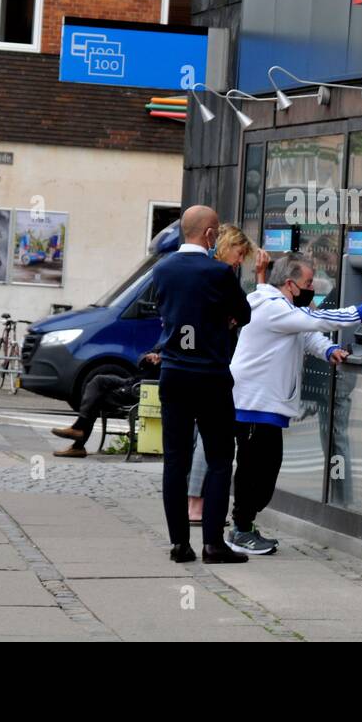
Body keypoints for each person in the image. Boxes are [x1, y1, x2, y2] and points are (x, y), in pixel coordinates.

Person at [226, 251, 362, 554]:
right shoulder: (272, 307)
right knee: (254, 470)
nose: (313, 288)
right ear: (290, 284)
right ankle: (240, 529)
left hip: (265, 404)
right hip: (255, 403)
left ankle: (244, 524)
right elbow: (319, 321)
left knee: (265, 468)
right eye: (309, 282)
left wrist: (329, 352)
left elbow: (306, 335)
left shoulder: (282, 308)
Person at [152, 205, 252, 564]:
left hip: (174, 374)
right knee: (221, 458)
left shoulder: (161, 269)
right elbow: (245, 314)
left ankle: (180, 543)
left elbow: (164, 311)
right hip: (210, 376)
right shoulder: (220, 273)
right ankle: (213, 543)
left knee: (175, 461)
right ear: (211, 235)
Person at [187, 224, 261, 523]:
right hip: (214, 365)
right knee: (209, 439)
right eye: (239, 252)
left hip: (206, 363)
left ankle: (196, 502)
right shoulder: (218, 275)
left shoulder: (204, 271)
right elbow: (244, 311)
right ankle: (195, 504)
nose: (239, 260)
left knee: (203, 439)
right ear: (226, 245)